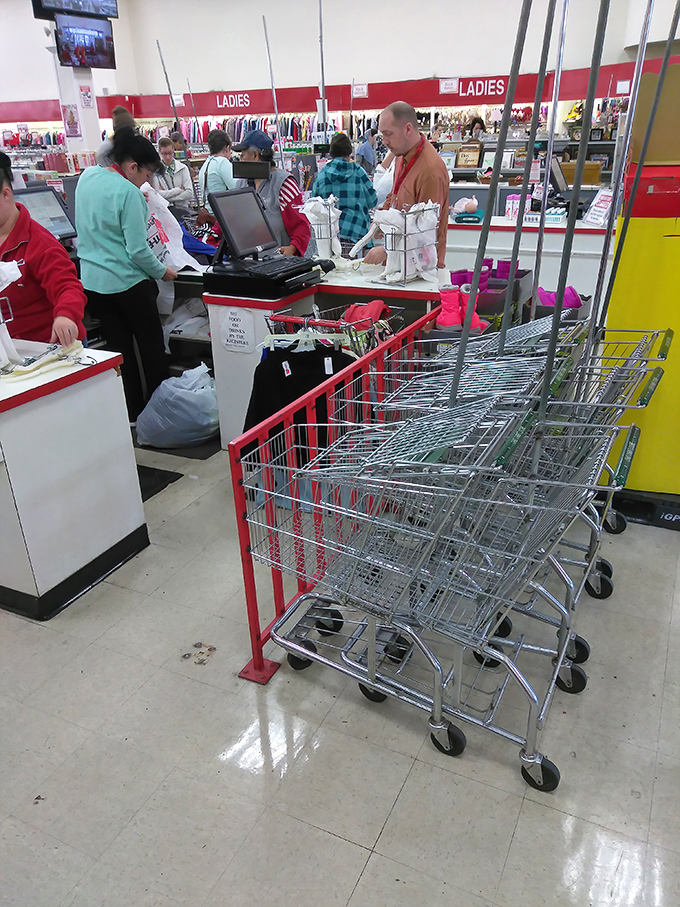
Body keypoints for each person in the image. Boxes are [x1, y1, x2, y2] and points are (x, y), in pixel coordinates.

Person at [75, 127, 177, 422]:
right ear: (132, 166)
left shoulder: (87, 177)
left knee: (120, 354)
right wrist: (163, 272)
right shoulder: (128, 193)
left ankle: (132, 414)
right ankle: (160, 416)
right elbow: (138, 251)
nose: (148, 182)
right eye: (147, 175)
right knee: (152, 350)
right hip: (129, 284)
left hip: (94, 283)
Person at [0, 152, 86, 346]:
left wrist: (66, 314)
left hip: (48, 350)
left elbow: (68, 286)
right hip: (11, 351)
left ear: (6, 194)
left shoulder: (40, 243)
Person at [363, 101, 450, 269]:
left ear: (408, 129)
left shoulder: (431, 170)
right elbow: (395, 197)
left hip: (422, 269)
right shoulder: (400, 156)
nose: (385, 141)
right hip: (398, 266)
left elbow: (425, 231)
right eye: (382, 136)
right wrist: (381, 219)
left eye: (389, 134)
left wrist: (388, 250)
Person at [233, 129, 310, 257]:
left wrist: (292, 248)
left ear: (255, 155)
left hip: (277, 264)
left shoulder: (284, 184)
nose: (240, 159)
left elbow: (301, 227)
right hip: (247, 261)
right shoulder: (242, 183)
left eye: (242, 155)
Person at [312, 132, 377, 255]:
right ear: (349, 153)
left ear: (331, 153)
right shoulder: (359, 172)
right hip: (356, 233)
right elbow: (372, 201)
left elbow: (314, 205)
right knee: (355, 270)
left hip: (329, 235)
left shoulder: (322, 175)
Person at [197, 129, 235, 212]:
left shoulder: (205, 164)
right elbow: (237, 188)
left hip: (209, 212)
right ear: (227, 148)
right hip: (223, 214)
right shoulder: (222, 162)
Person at [153, 136, 194, 212]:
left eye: (170, 153)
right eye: (164, 153)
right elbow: (157, 195)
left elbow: (189, 193)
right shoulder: (155, 171)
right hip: (165, 212)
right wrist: (178, 190)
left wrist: (168, 198)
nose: (168, 157)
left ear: (173, 151)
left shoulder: (182, 168)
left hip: (183, 211)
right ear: (159, 152)